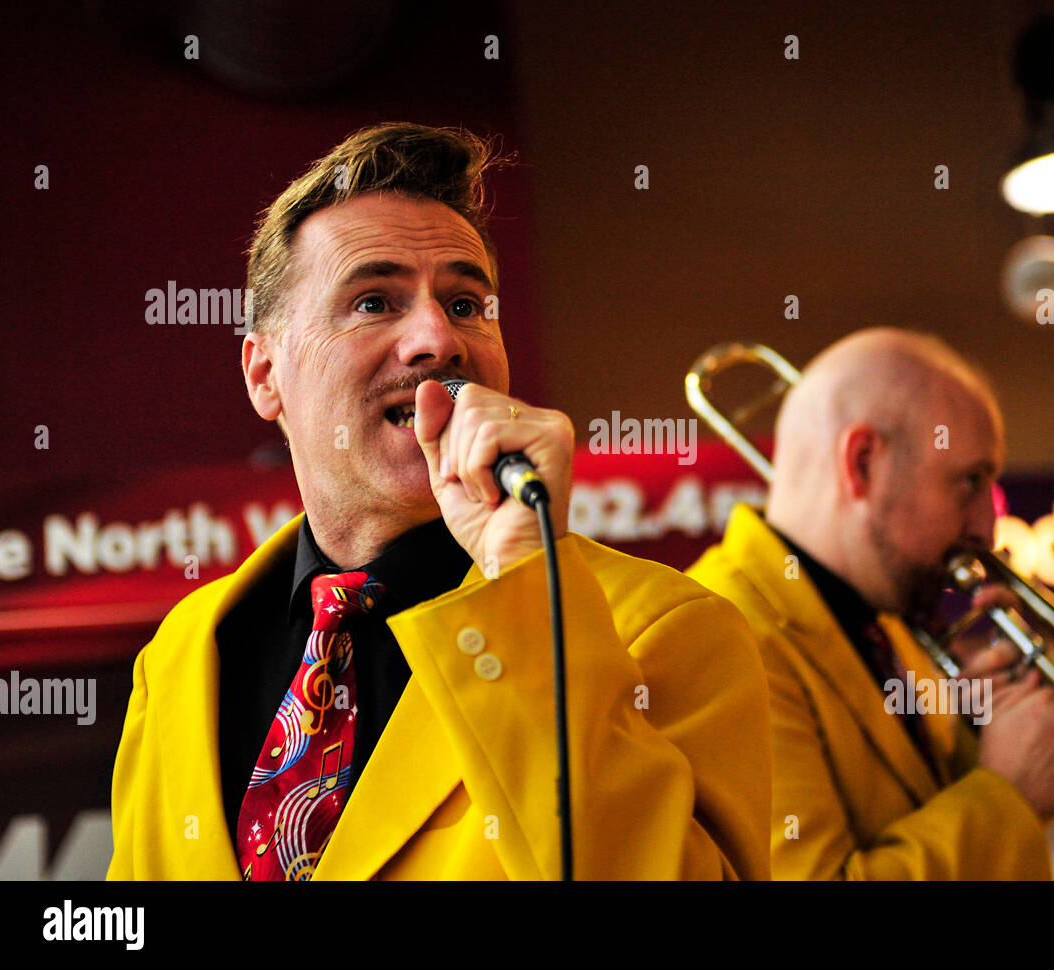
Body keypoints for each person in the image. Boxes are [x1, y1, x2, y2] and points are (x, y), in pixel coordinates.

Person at [107, 122, 770, 881]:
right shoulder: (180, 657)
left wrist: (525, 594)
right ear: (265, 375)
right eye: (373, 301)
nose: (438, 339)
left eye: (465, 303)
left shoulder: (670, 629)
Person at [686, 328, 1054, 879]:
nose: (987, 529)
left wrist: (980, 741)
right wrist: (1006, 795)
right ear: (863, 462)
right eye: (970, 481)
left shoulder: (889, 625)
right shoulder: (717, 629)